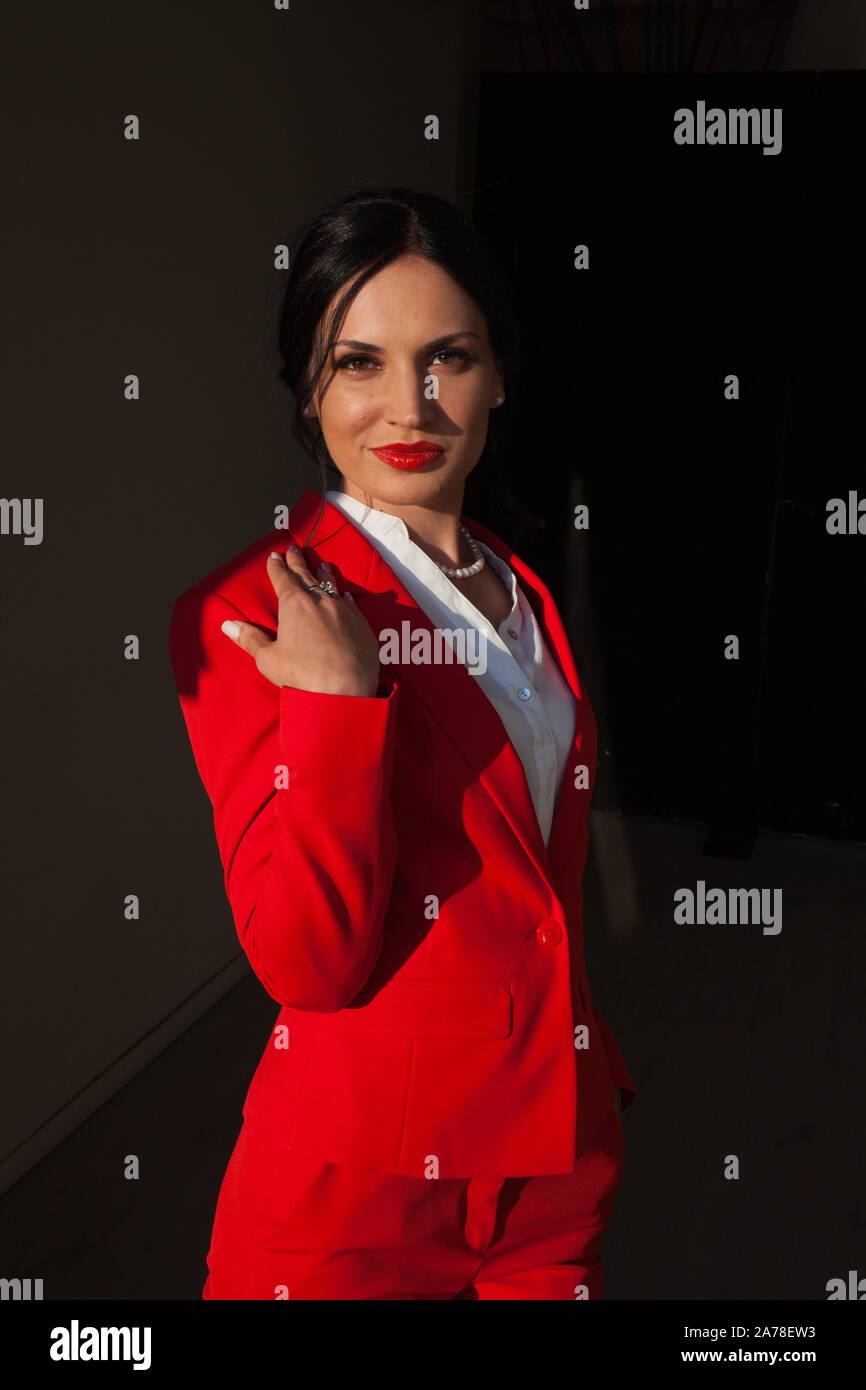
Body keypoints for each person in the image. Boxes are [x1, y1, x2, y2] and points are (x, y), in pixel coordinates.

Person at [169, 185, 637, 1300]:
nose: (409, 405)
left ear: (499, 374)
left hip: (547, 1167)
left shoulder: (516, 586)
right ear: (306, 388)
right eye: (358, 362)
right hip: (357, 1199)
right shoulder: (243, 611)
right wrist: (337, 707)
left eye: (448, 356)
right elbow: (306, 961)